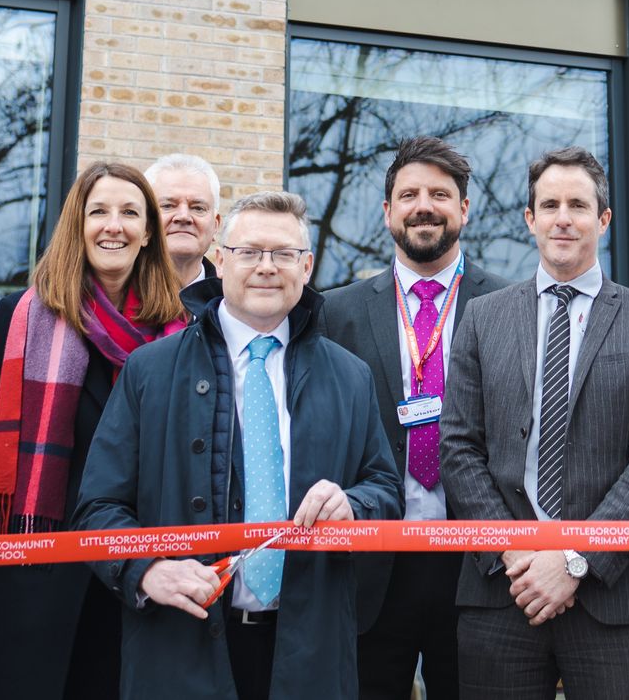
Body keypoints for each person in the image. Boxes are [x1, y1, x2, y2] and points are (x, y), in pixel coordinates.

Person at [75, 190, 402, 700]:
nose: (266, 267)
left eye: (284, 254)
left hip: (309, 652)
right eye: (249, 252)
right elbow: (98, 507)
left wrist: (354, 506)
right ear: (221, 261)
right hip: (179, 646)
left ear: (307, 266)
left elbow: (384, 488)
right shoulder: (150, 371)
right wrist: (144, 570)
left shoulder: (350, 375)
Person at [440, 146, 629, 700]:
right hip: (502, 591)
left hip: (615, 600)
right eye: (549, 205)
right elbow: (457, 446)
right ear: (530, 219)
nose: (563, 218)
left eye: (578, 205)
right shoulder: (482, 317)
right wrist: (516, 553)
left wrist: (575, 561)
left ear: (603, 220)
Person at [0, 162, 187, 700]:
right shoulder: (20, 317)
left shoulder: (182, 332)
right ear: (77, 225)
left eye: (129, 213)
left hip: (141, 567)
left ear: (147, 234)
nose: (113, 225)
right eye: (99, 212)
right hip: (37, 568)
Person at [322, 137, 509, 700]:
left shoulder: (508, 305)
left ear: (464, 210)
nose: (423, 205)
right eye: (409, 194)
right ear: (387, 211)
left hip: (476, 563)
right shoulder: (337, 311)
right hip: (376, 561)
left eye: (440, 194)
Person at [147, 152, 224, 285]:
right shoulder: (110, 297)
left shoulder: (231, 302)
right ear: (145, 221)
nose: (183, 216)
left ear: (215, 225)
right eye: (168, 206)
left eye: (198, 208)